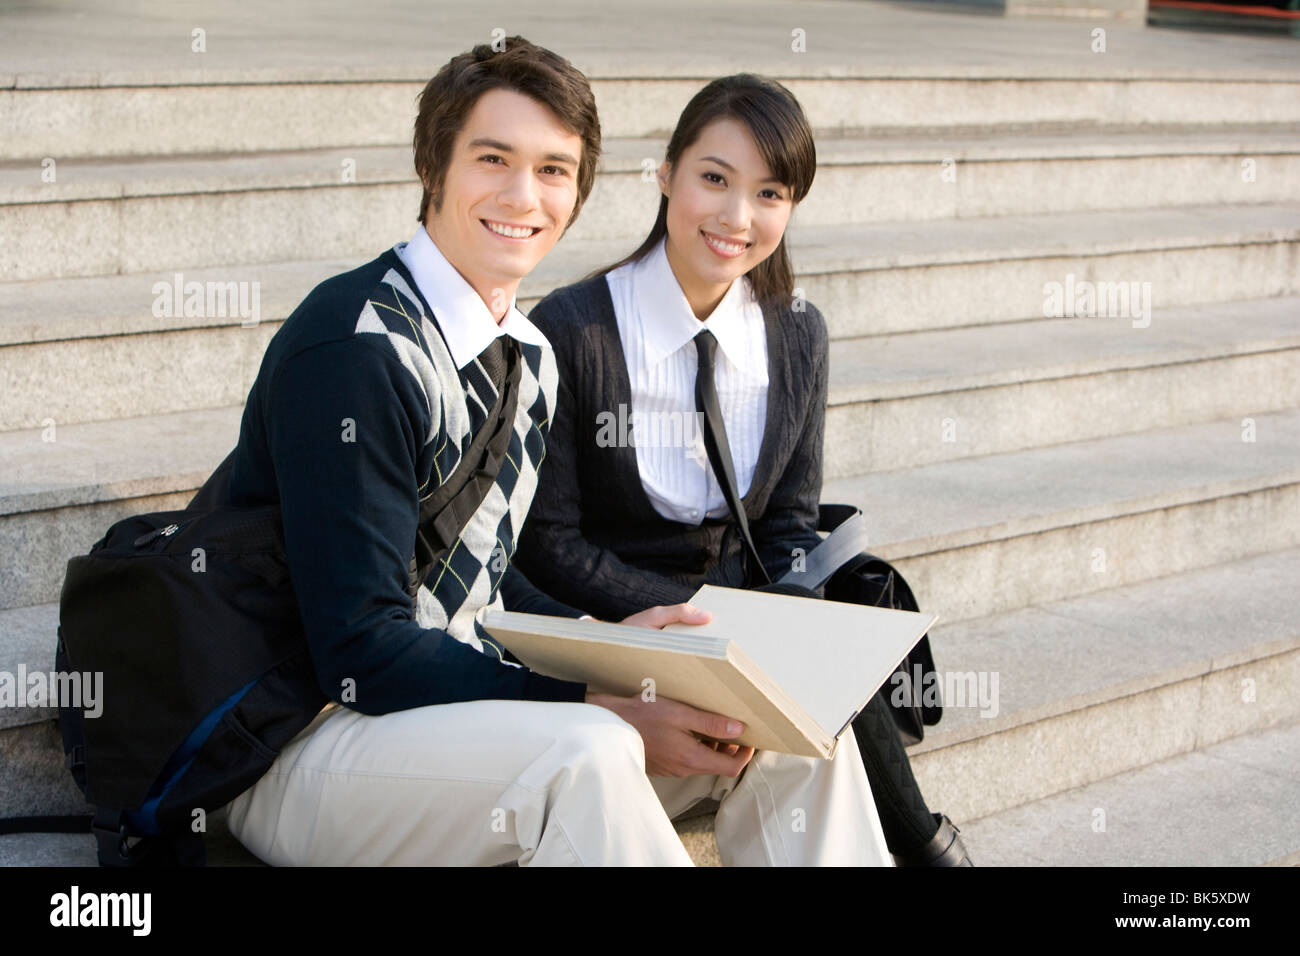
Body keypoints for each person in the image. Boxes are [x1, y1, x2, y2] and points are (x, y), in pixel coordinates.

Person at [219, 39, 891, 866]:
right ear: (434, 165)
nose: (521, 195)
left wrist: (622, 645)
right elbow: (360, 650)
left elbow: (490, 581)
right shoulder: (356, 349)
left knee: (785, 727)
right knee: (592, 748)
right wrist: (592, 695)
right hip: (305, 745)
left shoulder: (528, 352)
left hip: (454, 724)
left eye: (553, 170)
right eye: (492, 159)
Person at [516, 73, 971, 866]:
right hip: (624, 630)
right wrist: (703, 622)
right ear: (666, 176)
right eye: (714, 180)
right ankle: (930, 847)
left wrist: (779, 612)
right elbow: (549, 543)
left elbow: (791, 520)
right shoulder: (575, 327)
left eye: (769, 192)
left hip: (749, 619)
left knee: (814, 703)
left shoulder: (796, 332)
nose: (737, 218)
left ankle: (922, 845)